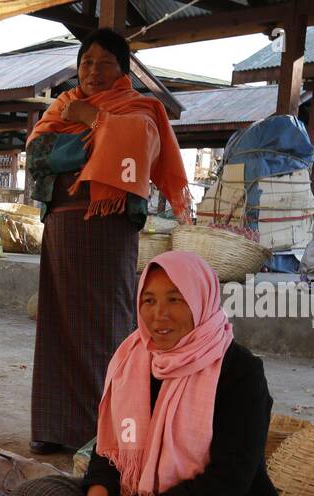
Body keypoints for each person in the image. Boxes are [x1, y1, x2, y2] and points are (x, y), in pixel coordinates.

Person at [7, 251, 314, 496]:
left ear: (202, 300)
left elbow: (230, 480)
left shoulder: (239, 371)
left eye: (176, 299)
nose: (159, 315)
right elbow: (112, 448)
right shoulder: (132, 359)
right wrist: (97, 494)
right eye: (149, 300)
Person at [24, 28, 190, 455]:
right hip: (61, 228)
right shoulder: (62, 106)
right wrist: (97, 139)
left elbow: (135, 146)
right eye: (86, 62)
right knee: (58, 325)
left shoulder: (141, 109)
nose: (93, 71)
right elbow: (40, 156)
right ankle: (57, 427)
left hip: (107, 230)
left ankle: (108, 430)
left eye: (104, 63)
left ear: (123, 69)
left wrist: (92, 122)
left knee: (106, 326)